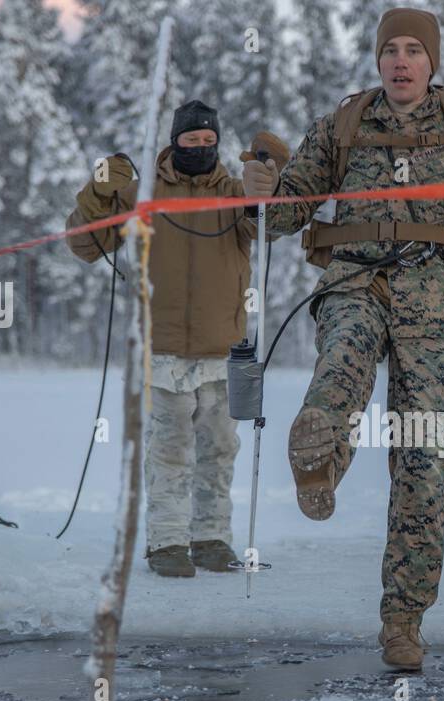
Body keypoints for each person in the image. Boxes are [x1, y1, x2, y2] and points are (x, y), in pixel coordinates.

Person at [241, 7, 444, 669]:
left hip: (434, 298)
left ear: (431, 62)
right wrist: (261, 196)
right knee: (338, 377)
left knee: (425, 460)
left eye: (414, 50)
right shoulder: (344, 123)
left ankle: (402, 621)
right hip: (353, 283)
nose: (401, 61)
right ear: (378, 60)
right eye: (391, 51)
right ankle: (319, 463)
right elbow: (287, 215)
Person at [66, 101, 288, 576]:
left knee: (218, 452)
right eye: (192, 140)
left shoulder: (232, 191)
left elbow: (268, 226)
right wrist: (98, 189)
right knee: (169, 451)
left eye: (209, 142)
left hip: (225, 352)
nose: (200, 148)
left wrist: (268, 186)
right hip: (163, 351)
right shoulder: (143, 193)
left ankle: (210, 538)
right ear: (175, 141)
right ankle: (167, 543)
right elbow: (86, 245)